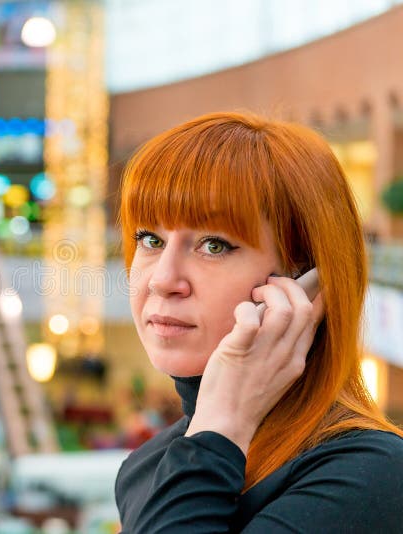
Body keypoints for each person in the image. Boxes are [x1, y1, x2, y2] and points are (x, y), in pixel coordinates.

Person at [114, 111, 403, 533]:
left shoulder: (369, 475)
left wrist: (220, 427)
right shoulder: (147, 467)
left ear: (305, 283)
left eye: (214, 245)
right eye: (151, 239)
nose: (162, 281)